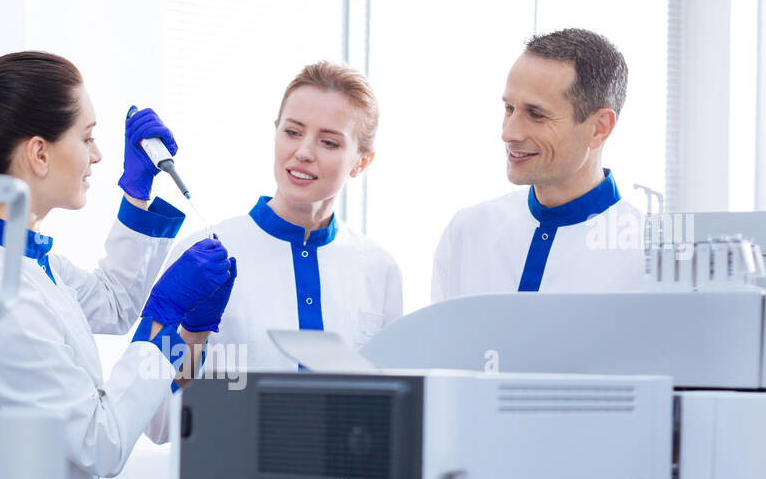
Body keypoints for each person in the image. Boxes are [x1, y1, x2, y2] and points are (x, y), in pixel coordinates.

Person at [0, 51, 235, 479]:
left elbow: (114, 302)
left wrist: (137, 196)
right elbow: (98, 440)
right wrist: (165, 320)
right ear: (39, 153)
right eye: (86, 137)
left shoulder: (30, 261)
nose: (98, 155)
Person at [158, 61, 402, 380]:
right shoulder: (203, 255)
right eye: (292, 132)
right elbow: (159, 420)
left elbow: (394, 406)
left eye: (328, 142)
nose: (303, 151)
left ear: (362, 161)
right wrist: (194, 336)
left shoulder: (379, 269)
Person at [431, 28, 644, 302]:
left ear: (599, 128)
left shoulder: (652, 257)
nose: (509, 133)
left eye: (536, 114)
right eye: (509, 109)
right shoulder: (466, 233)